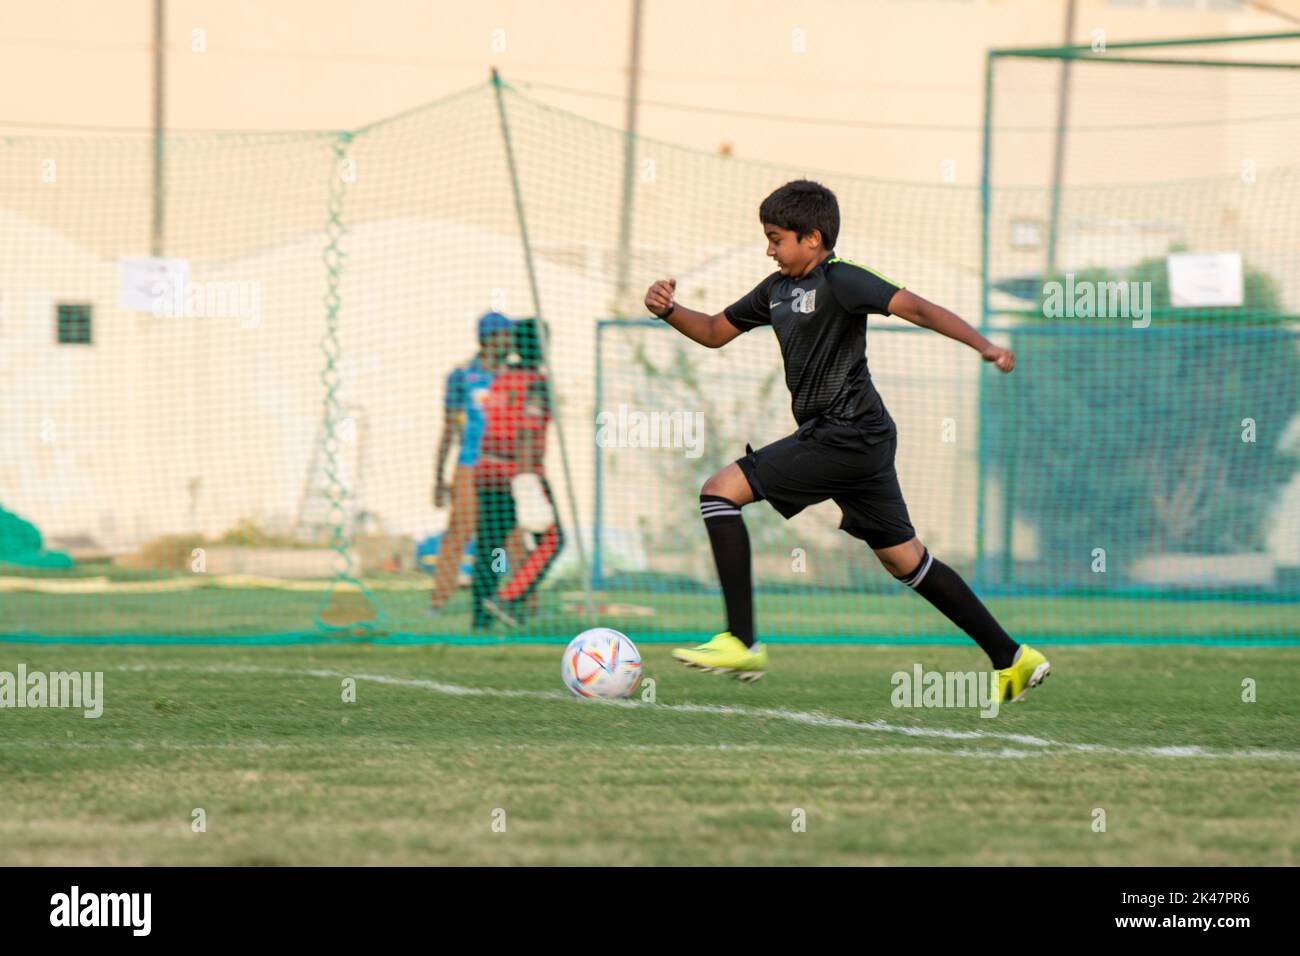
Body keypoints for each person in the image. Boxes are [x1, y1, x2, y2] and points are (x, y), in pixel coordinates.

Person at [643, 179, 1051, 701]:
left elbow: (919, 308)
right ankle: (1012, 657)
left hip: (848, 433)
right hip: (855, 439)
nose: (769, 249)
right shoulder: (775, 290)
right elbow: (715, 331)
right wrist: (669, 311)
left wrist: (984, 345)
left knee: (720, 491)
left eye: (776, 238)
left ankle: (741, 640)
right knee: (905, 559)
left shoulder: (843, 281)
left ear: (812, 238)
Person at [471, 318, 564, 630]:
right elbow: (527, 428)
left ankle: (481, 616)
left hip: (487, 468)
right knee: (552, 540)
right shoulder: (536, 383)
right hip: (519, 468)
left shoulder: (500, 379)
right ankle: (509, 598)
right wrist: (526, 479)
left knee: (492, 544)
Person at [429, 312, 513, 611]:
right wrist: (438, 477)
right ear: (491, 338)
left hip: (507, 467)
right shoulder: (462, 375)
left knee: (508, 536)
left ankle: (504, 593)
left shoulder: (514, 375)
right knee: (459, 530)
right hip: (470, 463)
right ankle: (439, 599)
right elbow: (449, 428)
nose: (512, 340)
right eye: (506, 334)